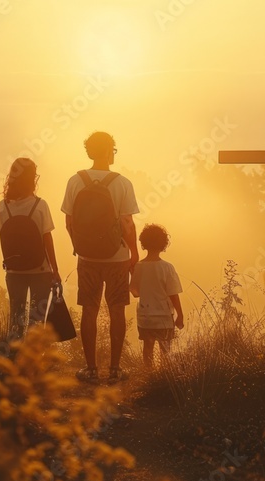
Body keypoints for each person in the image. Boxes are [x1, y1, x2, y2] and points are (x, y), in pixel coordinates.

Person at [62, 132, 139, 383]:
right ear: (109, 151)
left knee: (89, 310)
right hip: (117, 258)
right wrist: (134, 255)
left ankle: (91, 369)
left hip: (87, 258)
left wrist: (81, 245)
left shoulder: (76, 181)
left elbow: (69, 222)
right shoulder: (122, 183)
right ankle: (115, 370)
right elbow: (127, 224)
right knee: (117, 310)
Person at [0, 158, 61, 341]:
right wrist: (55, 269)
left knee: (16, 314)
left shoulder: (3, 206)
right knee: (36, 317)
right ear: (32, 179)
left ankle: (13, 356)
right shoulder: (40, 205)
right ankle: (33, 358)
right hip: (40, 269)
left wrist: (10, 261)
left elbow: (3, 238)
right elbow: (47, 239)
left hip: (14, 270)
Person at [129, 224, 183, 370]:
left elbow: (135, 292)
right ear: (163, 244)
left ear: (143, 243)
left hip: (145, 316)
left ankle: (149, 374)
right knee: (165, 350)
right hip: (164, 317)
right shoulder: (167, 268)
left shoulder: (139, 267)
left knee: (148, 347)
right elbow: (173, 294)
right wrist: (180, 315)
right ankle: (164, 376)